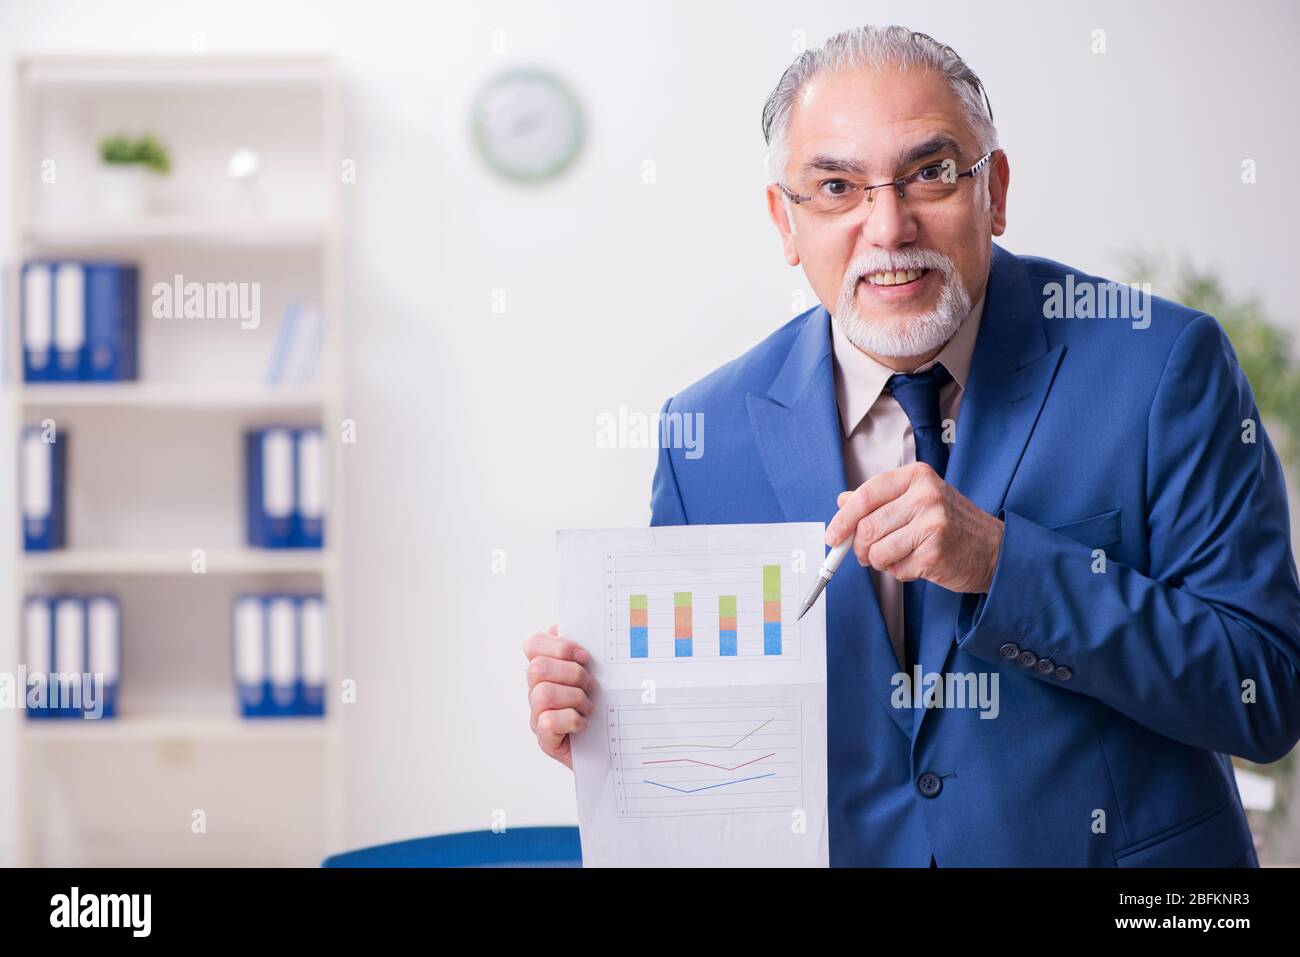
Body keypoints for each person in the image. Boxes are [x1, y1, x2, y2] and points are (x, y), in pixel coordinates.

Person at [524, 24, 1300, 866]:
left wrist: (1004, 567)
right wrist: (615, 734)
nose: (888, 227)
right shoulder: (702, 436)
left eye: (929, 173)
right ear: (786, 223)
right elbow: (713, 755)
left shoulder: (1159, 367)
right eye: (836, 186)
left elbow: (1266, 691)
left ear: (993, 191)